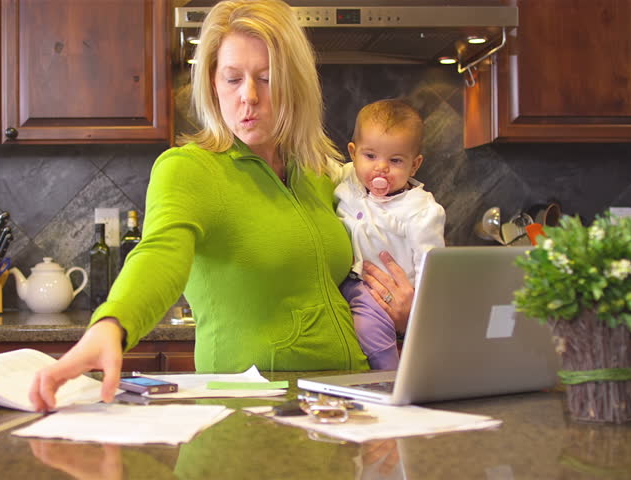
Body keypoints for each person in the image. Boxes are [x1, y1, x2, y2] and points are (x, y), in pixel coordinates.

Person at [29, 0, 415, 411]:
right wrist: (111, 325)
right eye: (232, 79)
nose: (248, 96)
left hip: (340, 402)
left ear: (296, 83)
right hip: (248, 409)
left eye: (267, 79)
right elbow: (159, 254)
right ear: (212, 83)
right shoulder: (190, 169)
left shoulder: (320, 173)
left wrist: (406, 316)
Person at [335, 99, 446, 370]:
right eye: (370, 156)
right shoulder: (348, 179)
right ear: (353, 153)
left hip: (384, 295)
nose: (381, 168)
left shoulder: (419, 210)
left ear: (415, 165)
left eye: (395, 160)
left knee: (369, 333)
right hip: (345, 284)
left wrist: (420, 313)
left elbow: (430, 264)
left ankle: (390, 378)